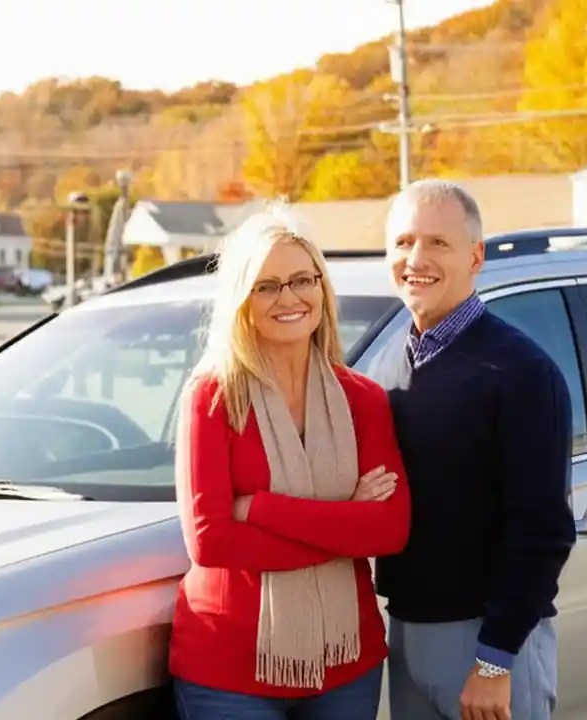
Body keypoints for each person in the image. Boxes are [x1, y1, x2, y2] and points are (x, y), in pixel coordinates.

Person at [169, 207, 412, 720]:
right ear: (241, 301)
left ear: (322, 288)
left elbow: (388, 531)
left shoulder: (363, 399)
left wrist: (259, 509)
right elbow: (211, 542)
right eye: (267, 286)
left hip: (346, 663)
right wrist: (345, 519)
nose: (289, 297)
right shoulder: (212, 397)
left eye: (303, 279)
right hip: (228, 671)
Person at [373, 179, 576, 720]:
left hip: (486, 644)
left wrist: (494, 661)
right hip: (408, 632)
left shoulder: (522, 371)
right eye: (403, 242)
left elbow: (544, 528)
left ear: (475, 256)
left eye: (438, 243)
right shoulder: (390, 364)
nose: (416, 258)